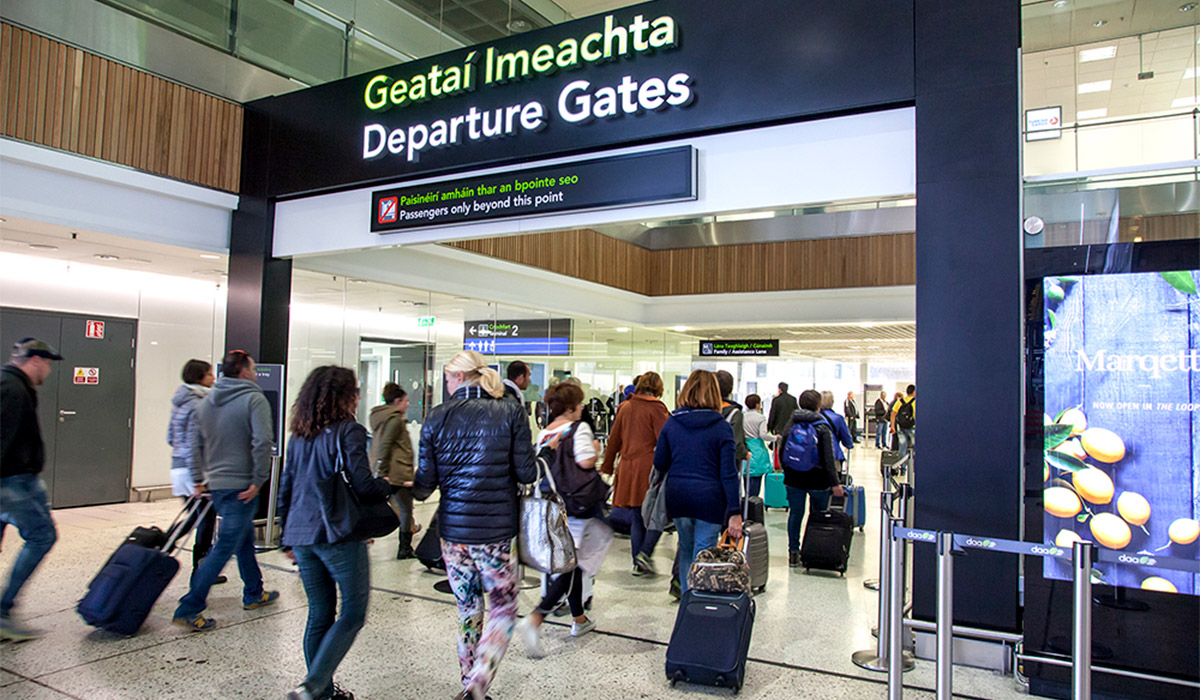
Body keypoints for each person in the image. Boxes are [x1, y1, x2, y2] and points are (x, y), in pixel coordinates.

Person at [413, 350, 538, 700]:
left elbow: (425, 484)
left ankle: (469, 682)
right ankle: (477, 686)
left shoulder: (437, 417)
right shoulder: (511, 411)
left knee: (468, 608)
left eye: (448, 379)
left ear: (457, 378)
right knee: (503, 607)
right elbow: (527, 472)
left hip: (453, 533)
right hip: (496, 533)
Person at [279, 366, 392, 700]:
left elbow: (287, 485)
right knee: (353, 613)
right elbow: (362, 484)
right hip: (337, 532)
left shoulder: (298, 434)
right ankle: (312, 686)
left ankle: (322, 691)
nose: (358, 397)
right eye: (355, 391)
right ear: (343, 397)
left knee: (319, 612)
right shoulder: (349, 431)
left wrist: (287, 535)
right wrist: (388, 485)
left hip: (301, 535)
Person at [173, 350, 279, 631]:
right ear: (243, 371)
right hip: (241, 484)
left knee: (241, 539)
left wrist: (198, 478)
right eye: (253, 369)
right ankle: (190, 606)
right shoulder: (253, 398)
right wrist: (259, 478)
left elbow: (194, 443)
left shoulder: (207, 401)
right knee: (223, 547)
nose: (255, 373)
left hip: (217, 485)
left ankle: (255, 591)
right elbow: (262, 441)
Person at [515, 383, 612, 658]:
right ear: (570, 408)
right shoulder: (577, 428)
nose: (582, 408)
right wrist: (594, 448)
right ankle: (536, 617)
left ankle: (579, 619)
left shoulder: (545, 432)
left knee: (571, 560)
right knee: (576, 563)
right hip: (577, 505)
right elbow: (585, 463)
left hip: (552, 505)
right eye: (579, 404)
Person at [653, 370, 742, 596]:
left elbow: (660, 462)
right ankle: (699, 605)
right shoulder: (721, 426)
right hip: (709, 499)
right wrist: (735, 511)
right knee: (703, 552)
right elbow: (729, 473)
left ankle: (686, 602)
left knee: (685, 549)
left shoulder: (672, 422)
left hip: (678, 497)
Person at [0, 338, 63, 641]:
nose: (48, 371)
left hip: (19, 479)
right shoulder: (12, 390)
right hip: (10, 481)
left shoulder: (13, 385)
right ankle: (3, 611)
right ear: (36, 360)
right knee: (42, 536)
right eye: (48, 364)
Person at [599, 372, 670, 576]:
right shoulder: (657, 408)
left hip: (627, 466)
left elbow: (613, 441)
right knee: (653, 514)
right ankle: (644, 555)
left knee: (638, 516)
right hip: (647, 467)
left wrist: (607, 466)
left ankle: (637, 561)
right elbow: (664, 440)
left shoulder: (625, 407)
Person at [168, 359, 222, 583]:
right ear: (200, 378)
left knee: (194, 518)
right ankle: (199, 573)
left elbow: (171, 438)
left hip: (179, 467)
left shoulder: (180, 402)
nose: (213, 379)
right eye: (210, 375)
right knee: (205, 520)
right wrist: (198, 479)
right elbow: (194, 444)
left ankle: (164, 544)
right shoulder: (199, 404)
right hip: (194, 471)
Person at [780, 389, 845, 567]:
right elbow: (828, 459)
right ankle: (814, 550)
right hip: (819, 480)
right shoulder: (822, 426)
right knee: (817, 516)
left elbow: (781, 451)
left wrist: (788, 472)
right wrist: (835, 483)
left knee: (795, 514)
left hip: (794, 479)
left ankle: (793, 551)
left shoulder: (791, 424)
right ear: (818, 406)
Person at [369, 382, 419, 560]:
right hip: (396, 472)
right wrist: (383, 473)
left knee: (399, 508)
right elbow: (386, 445)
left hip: (387, 470)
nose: (407, 404)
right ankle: (405, 548)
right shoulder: (394, 420)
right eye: (405, 401)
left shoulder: (381, 417)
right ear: (397, 401)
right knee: (406, 509)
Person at [716, 370, 749, 474]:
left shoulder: (705, 410)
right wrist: (745, 454)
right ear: (730, 389)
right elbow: (736, 444)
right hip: (727, 468)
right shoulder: (734, 413)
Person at [742, 394, 774, 499]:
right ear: (757, 404)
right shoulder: (760, 418)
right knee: (756, 481)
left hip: (745, 449)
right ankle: (754, 505)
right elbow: (763, 435)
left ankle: (746, 505)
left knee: (746, 479)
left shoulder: (742, 416)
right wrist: (775, 438)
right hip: (757, 451)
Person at [819, 390, 855, 475]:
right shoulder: (838, 418)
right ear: (832, 402)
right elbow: (847, 441)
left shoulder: (813, 417)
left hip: (813, 458)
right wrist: (849, 445)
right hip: (833, 455)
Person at [891, 384, 916, 457]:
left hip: (901, 427)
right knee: (914, 447)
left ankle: (903, 466)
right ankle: (913, 464)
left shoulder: (900, 401)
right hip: (912, 427)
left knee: (902, 447)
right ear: (914, 392)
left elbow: (893, 413)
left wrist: (893, 426)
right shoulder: (915, 401)